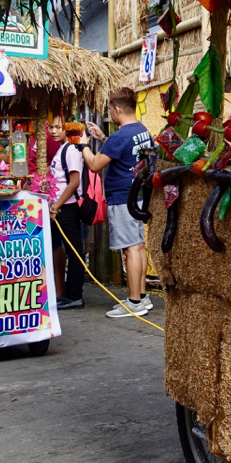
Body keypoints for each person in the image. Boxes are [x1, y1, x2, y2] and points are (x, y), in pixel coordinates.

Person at [84, 88, 154, 319]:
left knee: (131, 247)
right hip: (139, 195)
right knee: (138, 245)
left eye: (109, 110)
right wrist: (102, 138)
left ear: (117, 109)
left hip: (123, 198)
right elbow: (127, 153)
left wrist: (82, 145)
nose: (109, 114)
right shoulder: (141, 130)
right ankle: (141, 296)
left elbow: (95, 164)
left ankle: (134, 302)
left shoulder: (120, 136)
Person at [48, 118, 85, 310]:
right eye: (51, 127)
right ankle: (67, 294)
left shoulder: (71, 149)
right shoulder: (61, 149)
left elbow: (74, 182)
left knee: (75, 252)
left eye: (58, 127)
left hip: (67, 207)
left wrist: (56, 206)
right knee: (64, 249)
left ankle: (75, 295)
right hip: (58, 206)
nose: (53, 131)